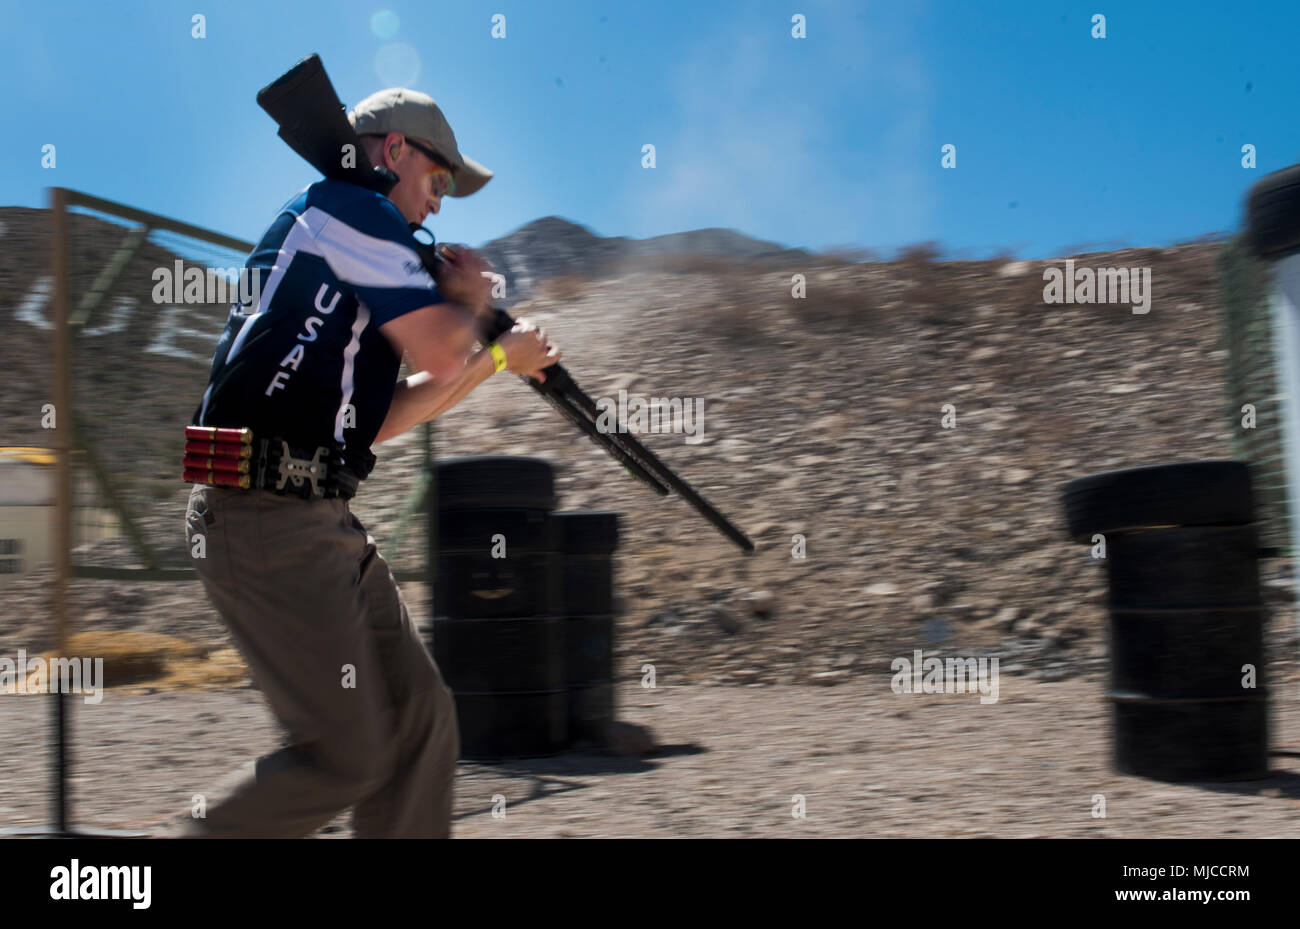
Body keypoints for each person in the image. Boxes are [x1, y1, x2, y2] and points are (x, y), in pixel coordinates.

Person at [178, 87, 559, 837]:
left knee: (421, 721)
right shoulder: (353, 211)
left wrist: (488, 353)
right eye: (440, 180)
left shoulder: (367, 241)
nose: (441, 206)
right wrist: (477, 314)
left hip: (313, 514)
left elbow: (382, 419)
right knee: (345, 757)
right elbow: (444, 348)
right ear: (392, 154)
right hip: (262, 511)